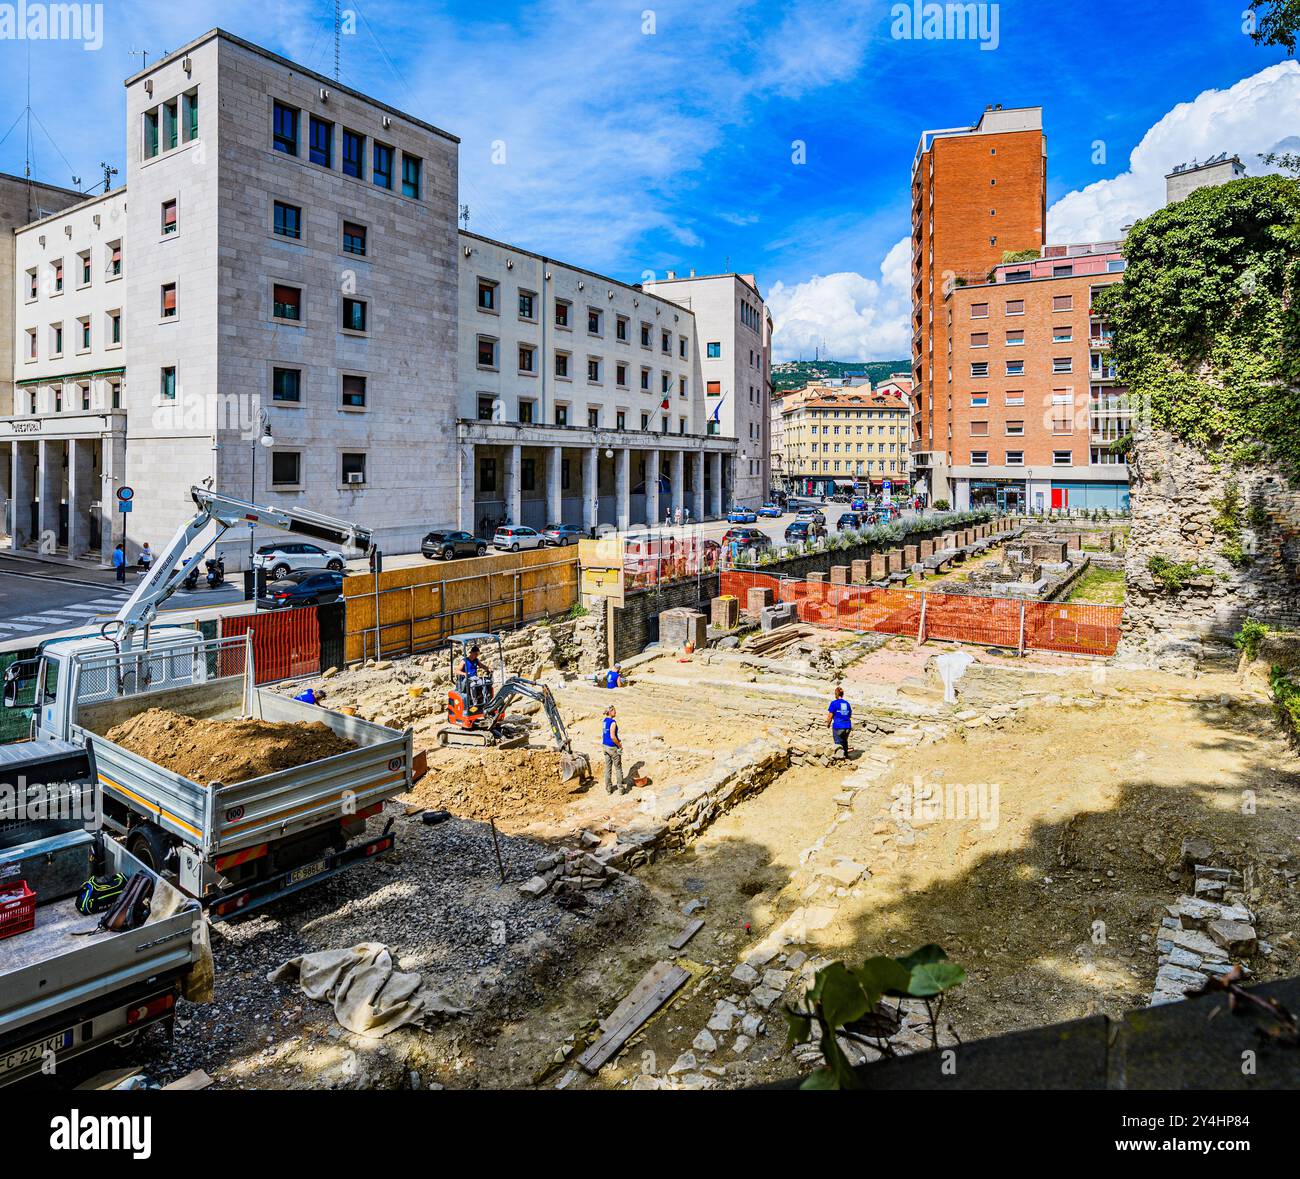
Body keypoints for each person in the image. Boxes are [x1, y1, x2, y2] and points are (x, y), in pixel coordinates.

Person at [458, 644, 492, 709]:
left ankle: (485, 701)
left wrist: (488, 669)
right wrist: (464, 674)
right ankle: (475, 703)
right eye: (476, 654)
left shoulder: (476, 660)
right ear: (472, 653)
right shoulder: (464, 661)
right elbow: (457, 671)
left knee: (483, 683)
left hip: (475, 678)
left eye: (477, 654)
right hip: (467, 679)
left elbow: (482, 666)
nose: (477, 655)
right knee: (473, 685)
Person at [602, 705, 625, 794]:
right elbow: (612, 736)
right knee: (618, 768)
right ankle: (620, 789)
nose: (615, 712)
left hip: (605, 746)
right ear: (610, 712)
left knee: (608, 768)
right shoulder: (613, 722)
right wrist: (619, 745)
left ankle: (608, 789)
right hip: (612, 747)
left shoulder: (605, 721)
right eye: (614, 711)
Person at [826, 686, 852, 759]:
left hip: (838, 726)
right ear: (842, 694)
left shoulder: (834, 703)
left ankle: (840, 759)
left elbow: (830, 716)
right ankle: (846, 756)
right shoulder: (847, 703)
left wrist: (828, 724)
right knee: (844, 741)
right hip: (848, 726)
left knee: (838, 744)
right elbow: (849, 715)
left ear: (836, 694)